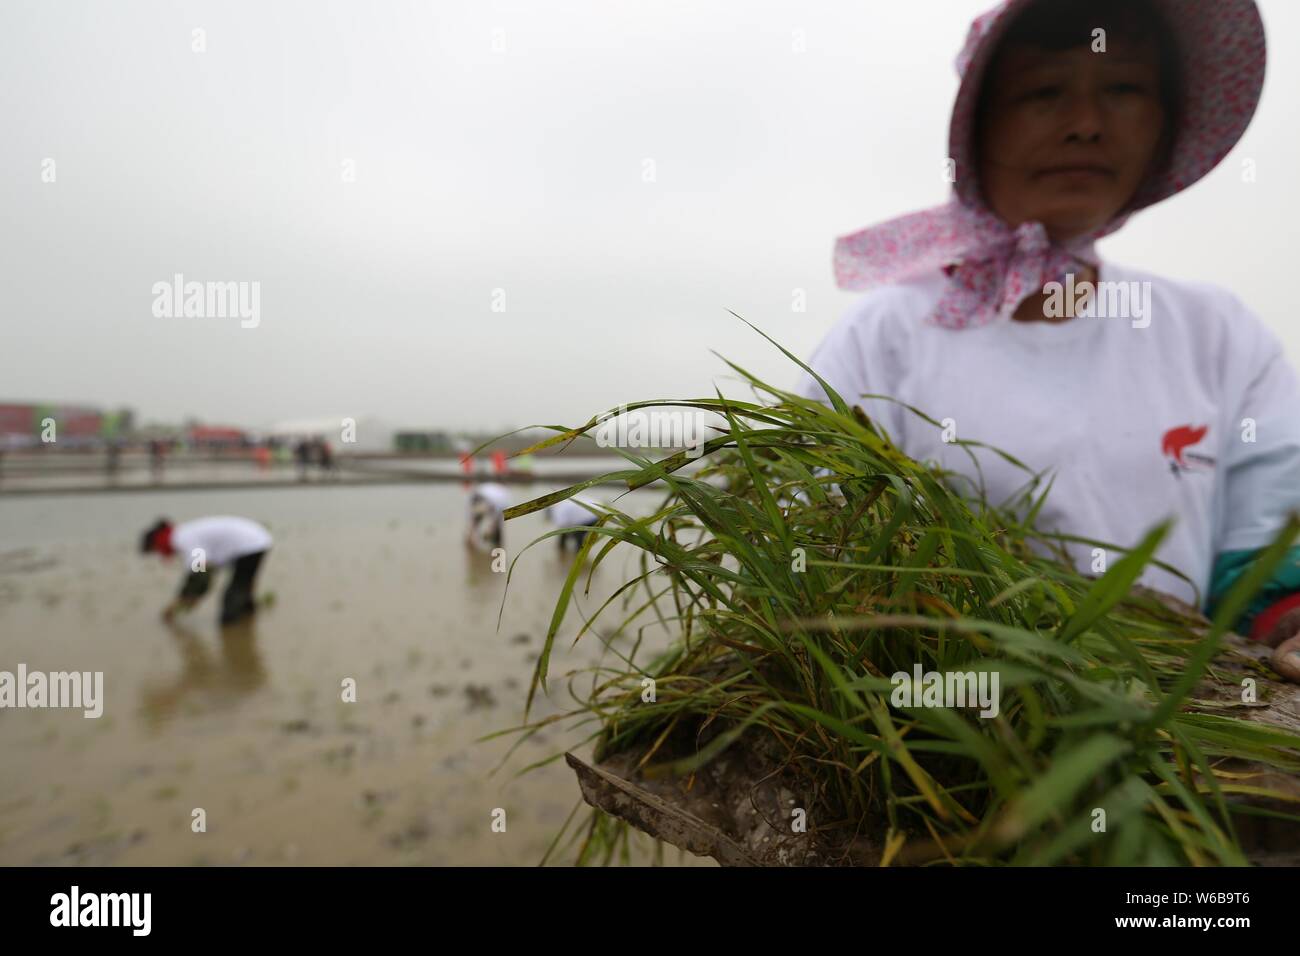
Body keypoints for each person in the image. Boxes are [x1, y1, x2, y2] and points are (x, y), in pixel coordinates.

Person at [797, 0, 1300, 683]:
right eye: (1042, 92)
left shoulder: (1217, 334)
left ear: (1165, 123)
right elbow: (812, 551)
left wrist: (1286, 623)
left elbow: (1271, 544)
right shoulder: (883, 338)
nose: (1087, 125)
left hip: (1173, 737)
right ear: (976, 129)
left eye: (1124, 89)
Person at [140, 516, 273, 626]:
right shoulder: (182, 534)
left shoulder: (183, 539)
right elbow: (205, 568)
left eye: (155, 550)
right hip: (255, 540)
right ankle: (247, 619)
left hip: (250, 545)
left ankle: (231, 631)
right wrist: (191, 595)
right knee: (243, 585)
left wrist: (185, 599)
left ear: (158, 542)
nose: (159, 555)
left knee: (233, 596)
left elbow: (201, 573)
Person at [465, 482, 510, 551]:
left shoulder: (501, 494)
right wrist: (492, 528)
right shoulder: (504, 496)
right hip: (484, 500)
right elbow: (499, 516)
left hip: (479, 498)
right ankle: (496, 545)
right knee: (494, 525)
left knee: (474, 523)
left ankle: (471, 542)